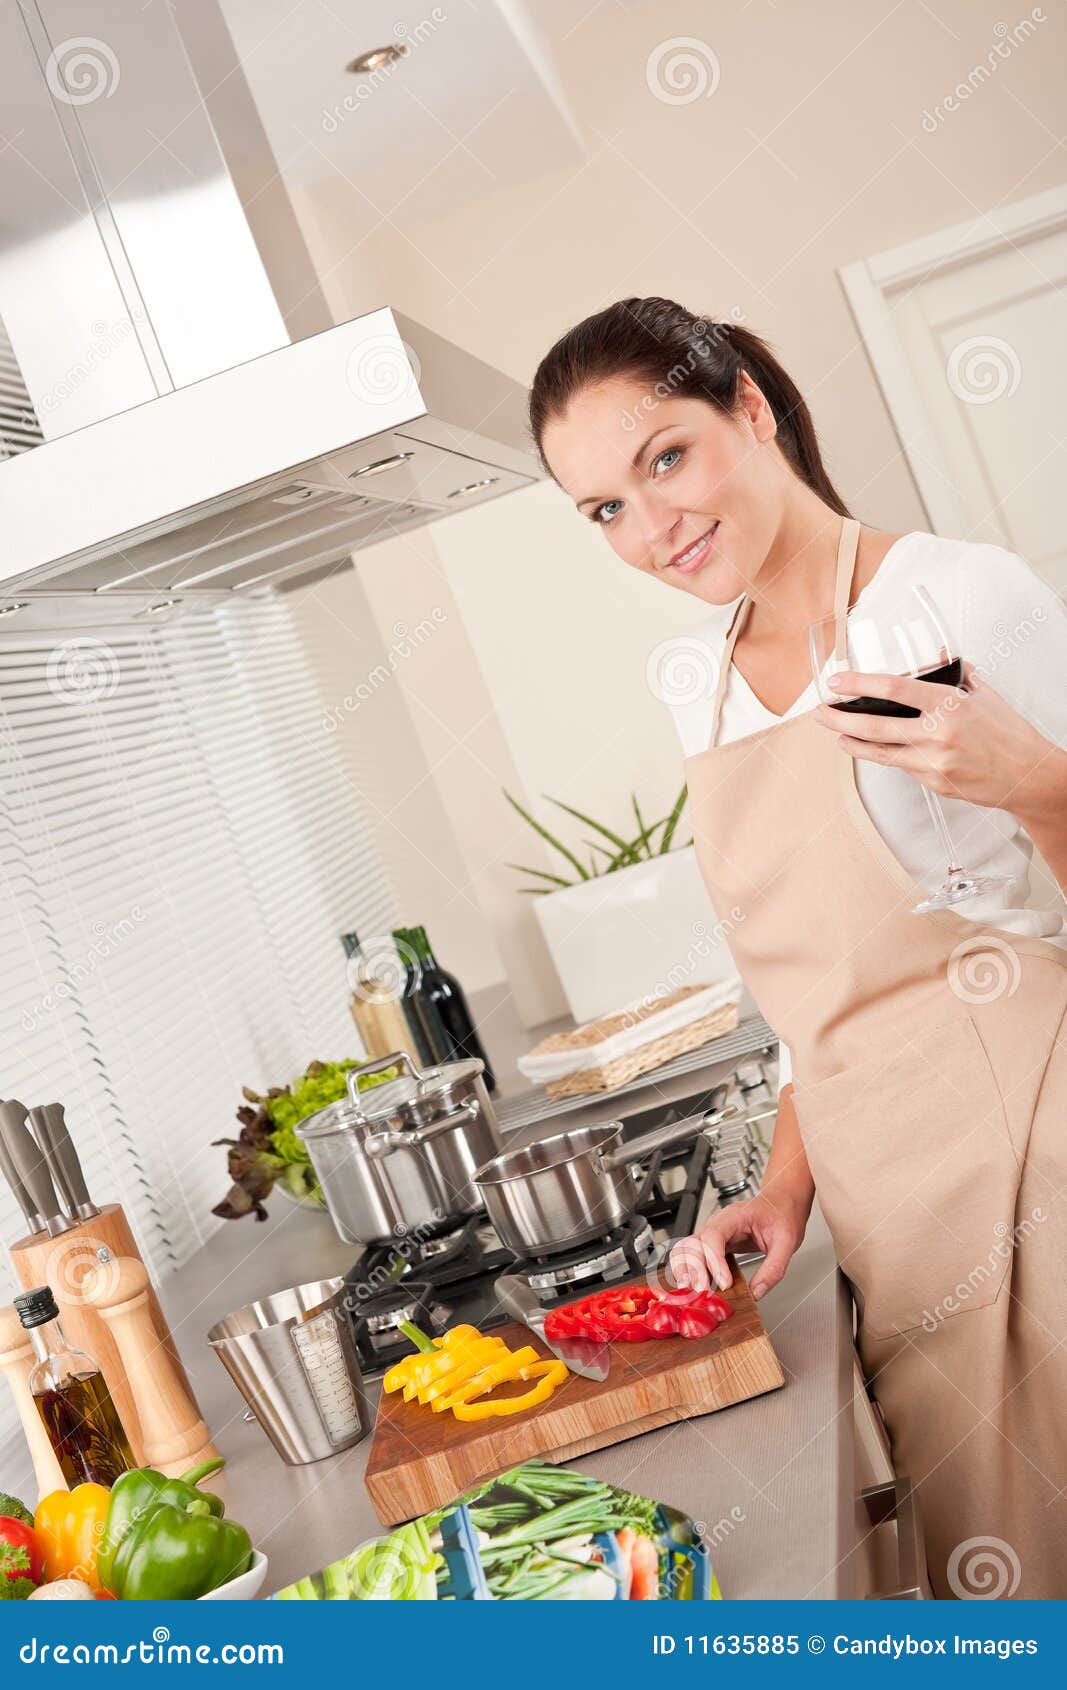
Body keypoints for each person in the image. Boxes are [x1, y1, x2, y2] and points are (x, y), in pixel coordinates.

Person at [528, 296, 1067, 1599]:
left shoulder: (950, 595)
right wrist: (787, 1186)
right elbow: (814, 994)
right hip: (892, 1222)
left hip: (1040, 1160)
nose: (650, 529)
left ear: (751, 410)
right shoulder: (697, 686)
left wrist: (1041, 781)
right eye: (603, 507)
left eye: (666, 457)